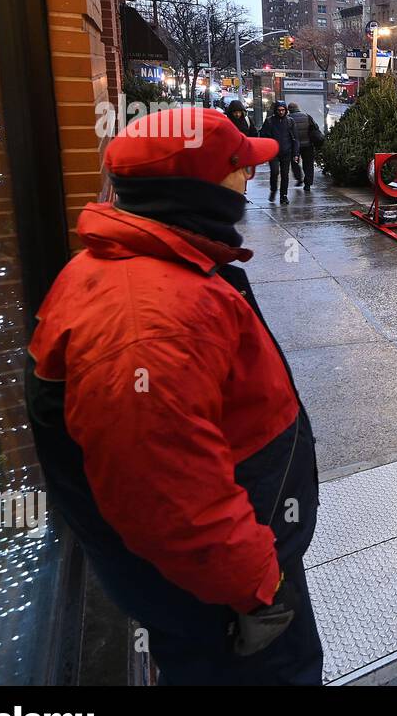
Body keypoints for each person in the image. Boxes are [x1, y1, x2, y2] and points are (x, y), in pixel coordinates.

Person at [25, 106, 322, 685]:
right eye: (239, 167)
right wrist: (258, 587)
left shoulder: (144, 267)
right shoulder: (149, 320)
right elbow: (170, 498)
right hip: (222, 598)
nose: (251, 177)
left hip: (212, 577)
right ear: (200, 189)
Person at [259, 100, 299, 204]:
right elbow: (263, 136)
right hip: (273, 152)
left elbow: (295, 139)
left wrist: (295, 153)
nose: (281, 112)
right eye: (279, 110)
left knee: (285, 174)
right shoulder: (269, 121)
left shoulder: (290, 121)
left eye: (283, 110)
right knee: (274, 172)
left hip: (286, 152)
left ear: (286, 110)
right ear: (276, 110)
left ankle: (283, 195)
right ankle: (273, 190)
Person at [286, 102, 323, 192]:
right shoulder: (306, 116)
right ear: (298, 108)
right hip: (308, 144)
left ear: (288, 109)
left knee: (294, 162)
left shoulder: (287, 119)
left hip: (294, 146)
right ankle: (308, 184)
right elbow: (315, 127)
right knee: (308, 164)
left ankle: (299, 178)